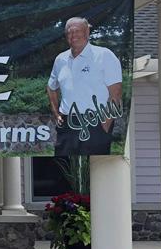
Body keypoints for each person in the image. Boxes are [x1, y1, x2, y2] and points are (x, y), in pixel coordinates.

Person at [47, 16, 123, 156]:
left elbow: (116, 92)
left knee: (96, 169)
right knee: (63, 167)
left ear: (87, 32)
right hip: (67, 124)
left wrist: (105, 124)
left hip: (95, 122)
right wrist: (56, 112)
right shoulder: (60, 59)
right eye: (69, 32)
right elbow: (51, 87)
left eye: (77, 31)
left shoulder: (104, 55)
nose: (73, 35)